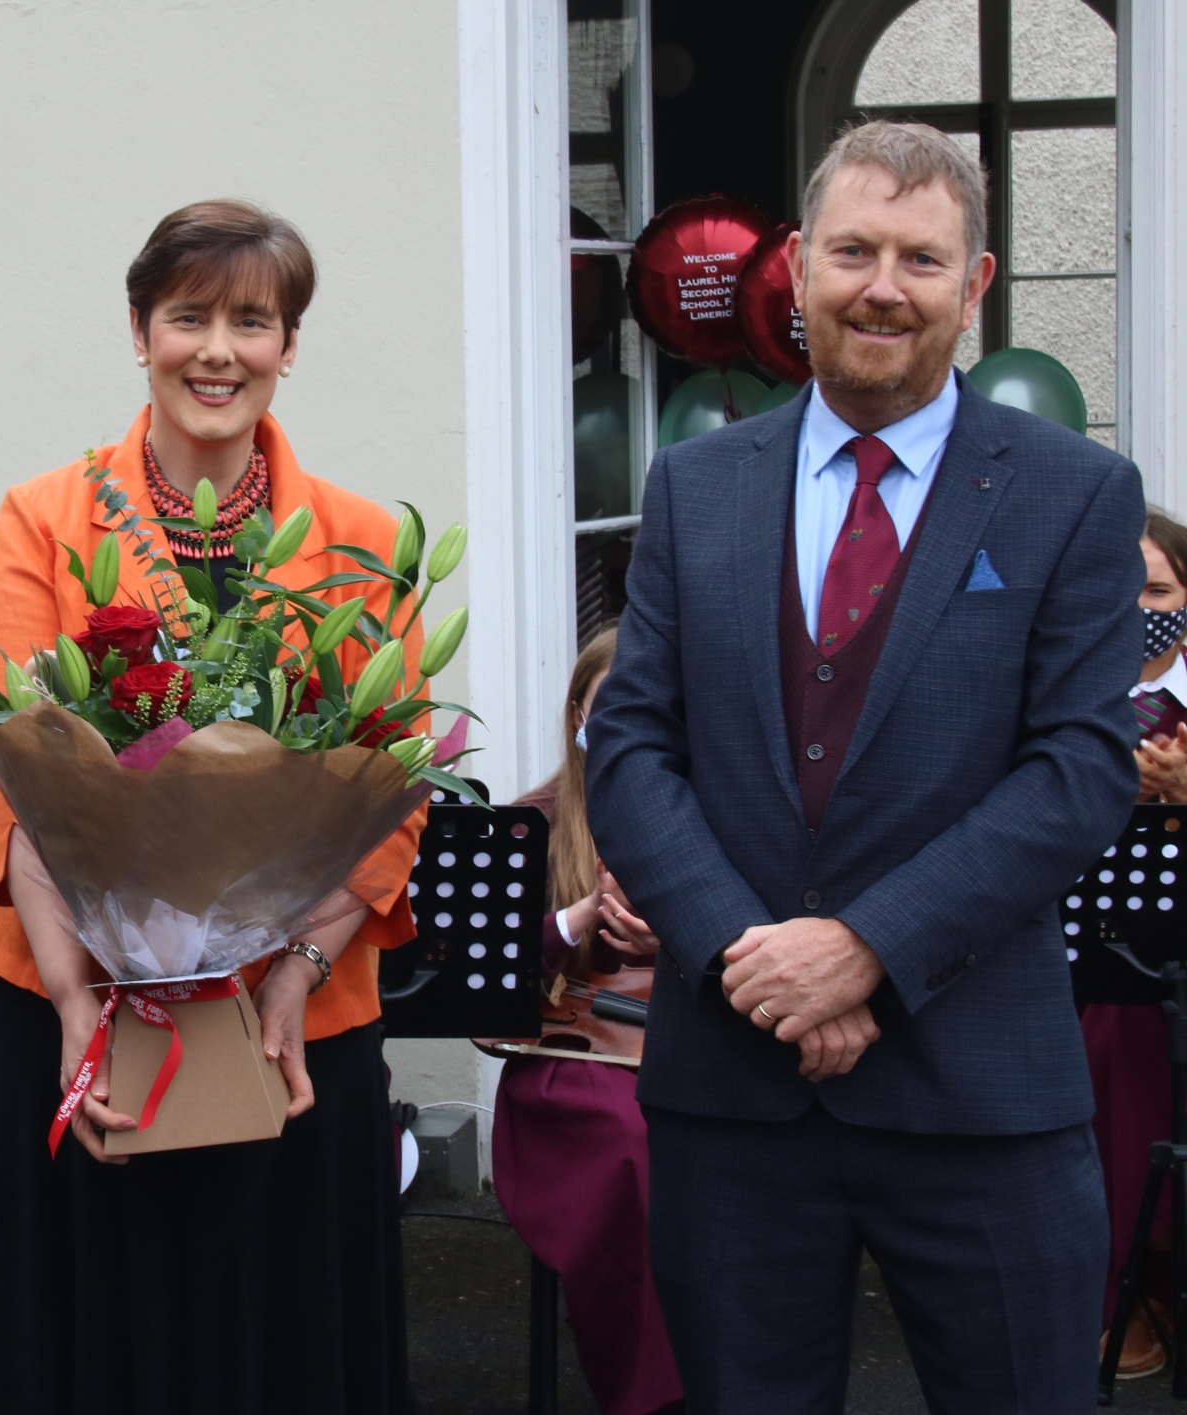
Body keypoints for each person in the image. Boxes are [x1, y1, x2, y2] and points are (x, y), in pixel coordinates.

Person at [586, 120, 1145, 1411]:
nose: (882, 284)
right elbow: (631, 745)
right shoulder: (692, 488)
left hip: (981, 1091)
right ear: (795, 263)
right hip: (737, 1091)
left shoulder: (1076, 494)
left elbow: (1077, 771)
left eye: (919, 257)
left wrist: (867, 946)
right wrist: (754, 955)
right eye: (851, 249)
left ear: (976, 283)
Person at [0, 199, 425, 1415]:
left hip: (286, 1024)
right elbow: (18, 773)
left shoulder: (364, 540)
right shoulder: (46, 516)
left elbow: (393, 790)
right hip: (56, 1000)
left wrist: (297, 969)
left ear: (288, 345)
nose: (217, 349)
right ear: (140, 331)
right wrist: (81, 1003)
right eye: (187, 315)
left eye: (251, 320)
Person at [491, 627, 683, 1415]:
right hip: (574, 1059)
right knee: (636, 1140)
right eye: (615, 707)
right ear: (578, 713)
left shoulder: (707, 813)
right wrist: (574, 920)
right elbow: (490, 972)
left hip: (682, 1038)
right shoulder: (532, 821)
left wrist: (679, 938)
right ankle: (651, 1395)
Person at [1078, 506, 1187, 1378]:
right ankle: (1126, 1282)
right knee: (1117, 1033)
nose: (1142, 607)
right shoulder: (1073, 695)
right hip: (1110, 959)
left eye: (1158, 589)